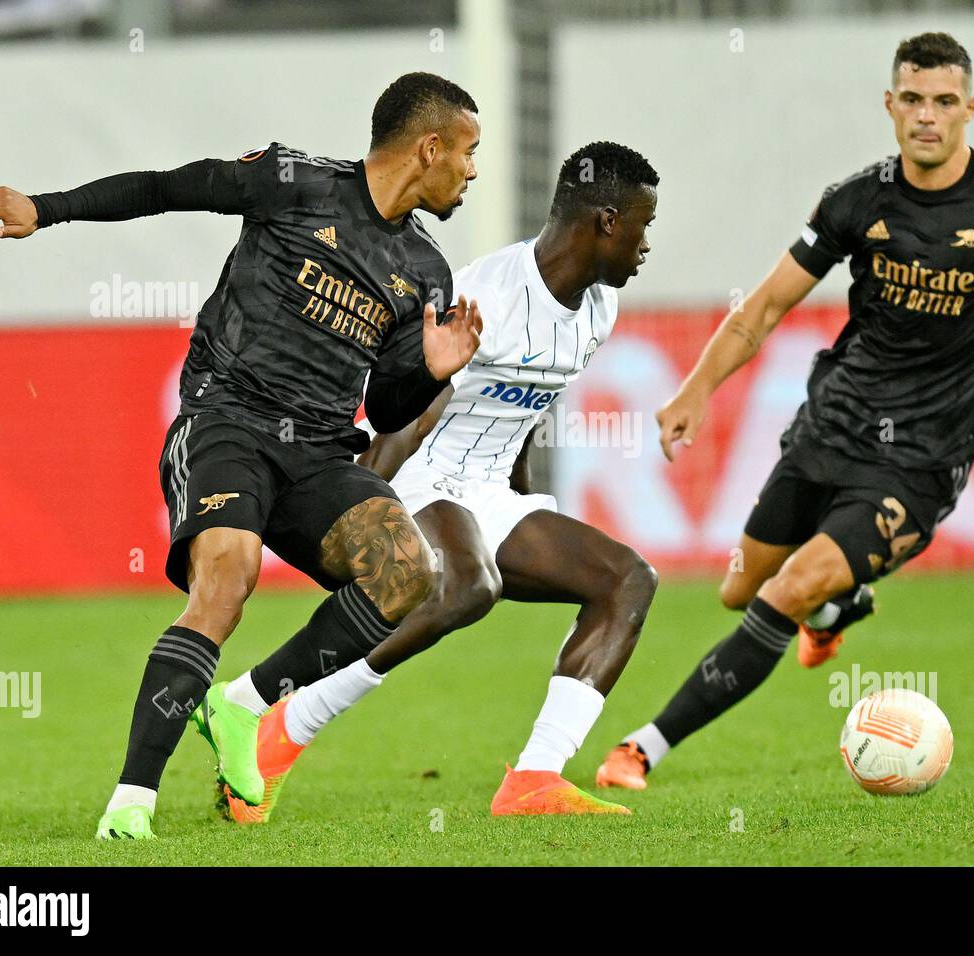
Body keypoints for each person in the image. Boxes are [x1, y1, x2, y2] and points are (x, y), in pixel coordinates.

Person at [0, 72, 485, 838]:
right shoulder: (294, 182)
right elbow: (171, 187)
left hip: (320, 452)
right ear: (428, 146)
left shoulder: (426, 271)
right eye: (468, 152)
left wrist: (431, 369)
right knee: (227, 581)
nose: (473, 171)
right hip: (227, 422)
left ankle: (242, 705)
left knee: (411, 573)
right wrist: (48, 209)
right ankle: (131, 804)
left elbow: (388, 406)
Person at [595, 32, 974, 790]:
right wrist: (696, 390)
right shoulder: (856, 200)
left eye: (945, 102)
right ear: (890, 105)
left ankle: (641, 749)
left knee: (782, 593)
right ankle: (837, 610)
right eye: (912, 99)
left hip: (917, 464)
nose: (927, 117)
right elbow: (766, 306)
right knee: (739, 589)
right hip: (829, 426)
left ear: (970, 108)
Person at [201, 142, 660, 821]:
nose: (649, 246)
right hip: (419, 476)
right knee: (468, 584)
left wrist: (529, 507)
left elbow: (528, 406)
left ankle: (533, 779)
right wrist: (359, 516)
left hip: (488, 491)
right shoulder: (484, 295)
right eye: (645, 226)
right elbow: (405, 413)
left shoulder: (598, 311)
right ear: (607, 222)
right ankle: (282, 724)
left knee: (627, 580)